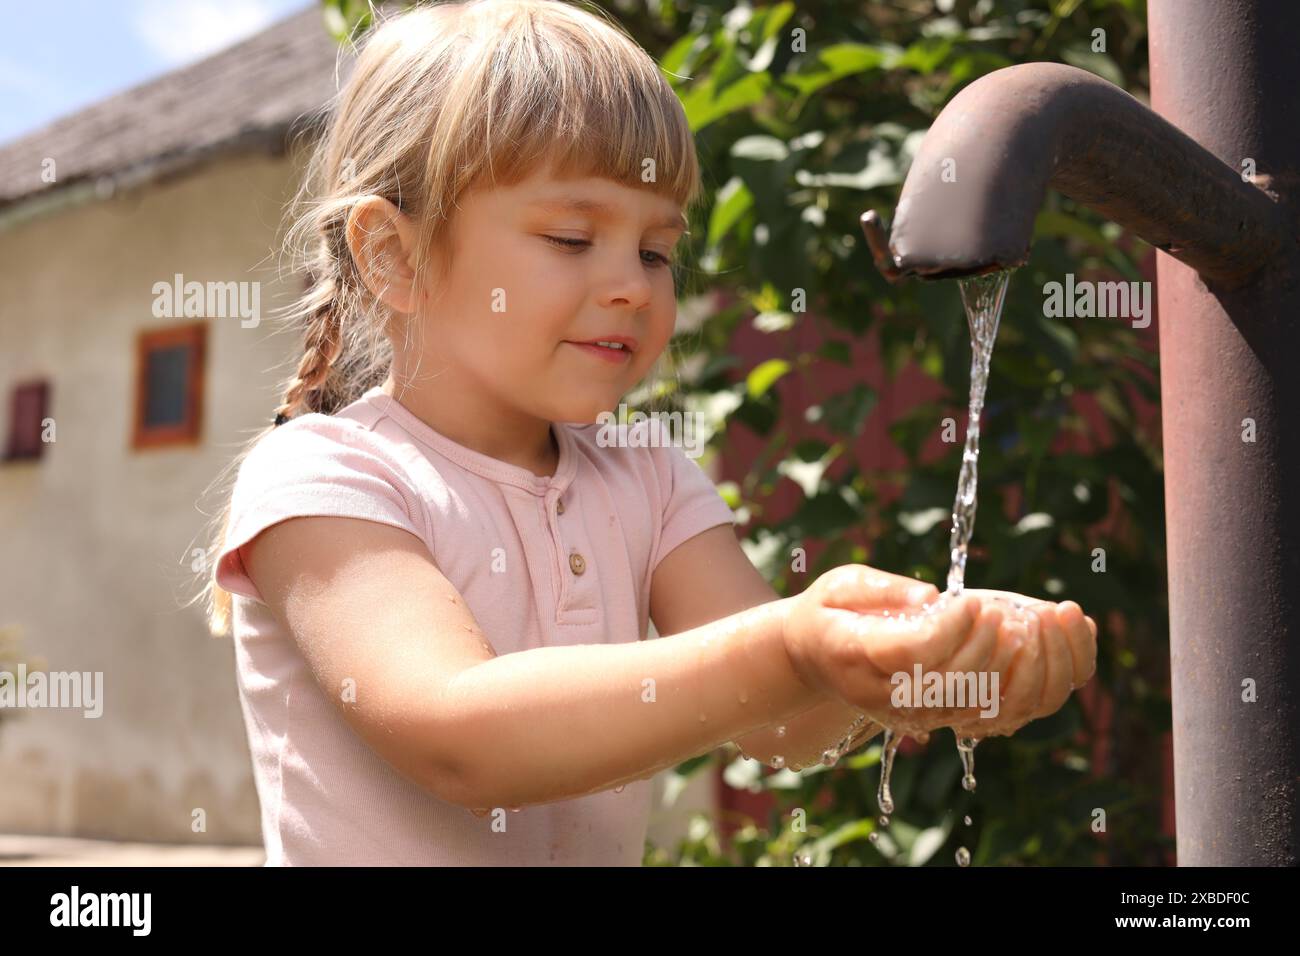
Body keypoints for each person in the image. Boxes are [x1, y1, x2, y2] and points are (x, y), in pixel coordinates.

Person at [198, 0, 1095, 866]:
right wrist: (794, 641)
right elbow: (460, 738)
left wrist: (917, 668)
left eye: (657, 251)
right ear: (394, 255)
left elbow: (780, 724)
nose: (632, 284)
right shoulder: (325, 478)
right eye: (571, 237)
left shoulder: (648, 481)